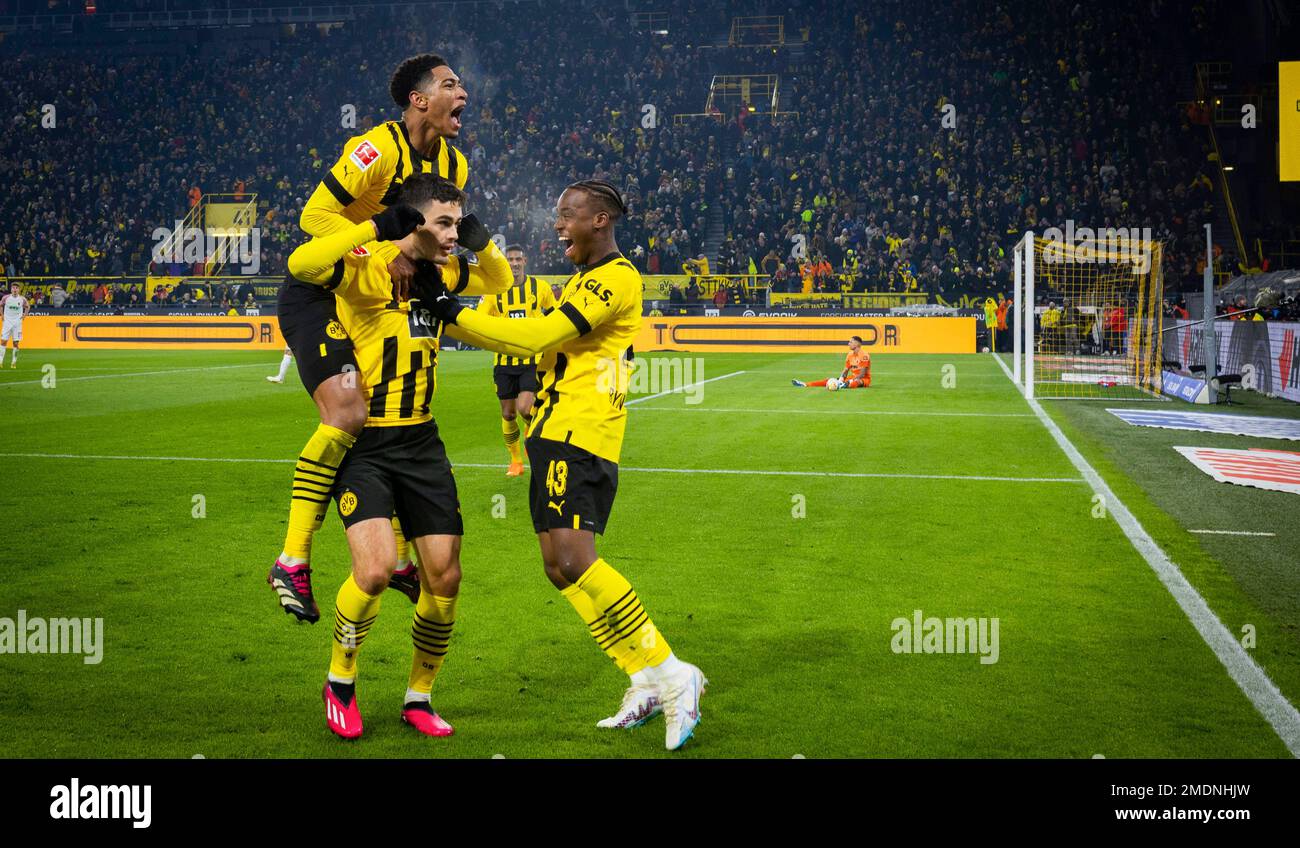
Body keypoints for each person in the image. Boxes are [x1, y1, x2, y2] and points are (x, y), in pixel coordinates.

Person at [425, 180, 708, 751]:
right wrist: (480, 263)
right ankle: (643, 679)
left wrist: (446, 312)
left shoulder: (616, 278)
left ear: (600, 219)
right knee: (558, 566)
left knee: (578, 557)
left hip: (584, 434)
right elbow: (522, 325)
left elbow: (536, 335)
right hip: (551, 432)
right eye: (557, 214)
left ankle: (674, 671)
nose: (559, 225)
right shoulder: (582, 279)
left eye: (568, 215)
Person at [284, 174, 508, 739]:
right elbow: (303, 265)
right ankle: (341, 680)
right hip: (367, 446)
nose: (454, 233)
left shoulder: (448, 269)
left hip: (422, 441)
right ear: (413, 222)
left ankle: (419, 696)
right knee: (377, 570)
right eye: (445, 222)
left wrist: (480, 241)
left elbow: (501, 282)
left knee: (445, 578)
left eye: (459, 222)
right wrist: (374, 229)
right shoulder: (367, 265)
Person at [268, 53, 472, 623]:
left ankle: (398, 554)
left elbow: (428, 233)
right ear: (419, 100)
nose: (463, 93)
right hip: (322, 284)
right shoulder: (376, 149)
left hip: (376, 280)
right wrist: (383, 249)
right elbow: (313, 217)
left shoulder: (454, 166)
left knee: (394, 407)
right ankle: (292, 557)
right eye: (451, 84)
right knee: (348, 413)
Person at [476, 244, 556, 476]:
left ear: (525, 261)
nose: (514, 263)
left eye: (517, 259)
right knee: (508, 414)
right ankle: (516, 461)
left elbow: (554, 316)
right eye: (510, 259)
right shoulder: (493, 292)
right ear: (505, 262)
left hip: (532, 360)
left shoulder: (540, 287)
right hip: (503, 363)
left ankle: (531, 446)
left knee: (525, 409)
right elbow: (480, 321)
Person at [791, 336, 871, 388]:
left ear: (857, 344)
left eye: (850, 342)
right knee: (829, 380)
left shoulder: (864, 355)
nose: (848, 344)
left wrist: (850, 380)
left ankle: (841, 385)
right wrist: (841, 379)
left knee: (854, 383)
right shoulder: (850, 354)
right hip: (852, 377)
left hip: (864, 379)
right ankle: (805, 384)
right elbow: (846, 369)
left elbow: (862, 374)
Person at [1, 282, 30, 368]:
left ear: (19, 290)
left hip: (17, 324)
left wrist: (25, 315)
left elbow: (27, 306)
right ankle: (0, 361)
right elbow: (1, 305)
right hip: (7, 322)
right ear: (11, 289)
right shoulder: (6, 298)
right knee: (3, 341)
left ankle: (13, 362)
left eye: (16, 288)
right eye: (13, 288)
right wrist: (2, 315)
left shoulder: (22, 299)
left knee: (16, 343)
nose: (15, 289)